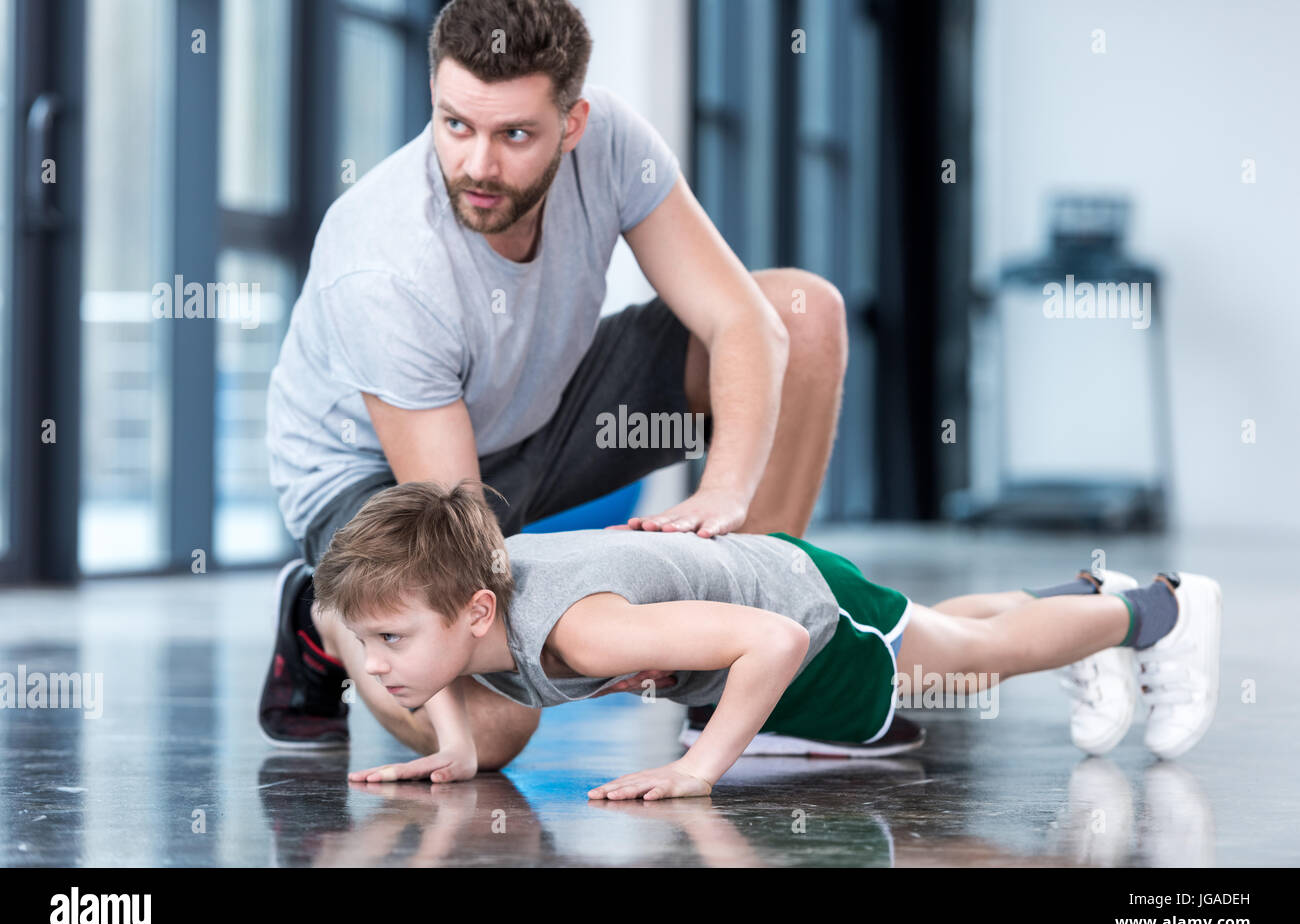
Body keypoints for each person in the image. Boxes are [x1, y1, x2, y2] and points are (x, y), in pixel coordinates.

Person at [258, 0, 858, 766]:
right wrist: (609, 643)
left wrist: (727, 495)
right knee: (496, 732)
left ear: (571, 124)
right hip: (389, 485)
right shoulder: (383, 262)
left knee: (804, 315)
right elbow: (460, 536)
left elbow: (745, 324)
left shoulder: (611, 141)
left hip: (544, 409)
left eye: (514, 134)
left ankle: (756, 686)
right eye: (455, 125)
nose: (477, 165)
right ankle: (329, 607)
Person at [310, 481, 1223, 799]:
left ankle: (1160, 610)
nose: (376, 665)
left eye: (390, 637)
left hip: (804, 610)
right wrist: (460, 750)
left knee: (969, 657)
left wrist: (699, 768)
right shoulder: (466, 611)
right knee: (939, 624)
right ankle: (1086, 597)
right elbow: (461, 675)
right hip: (768, 581)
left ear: (475, 611)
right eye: (366, 640)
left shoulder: (584, 633)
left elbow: (775, 641)